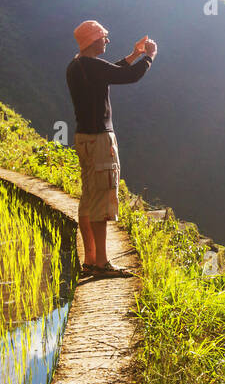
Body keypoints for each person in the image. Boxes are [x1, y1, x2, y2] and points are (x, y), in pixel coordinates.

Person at [65, 19, 157, 277]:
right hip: (99, 140)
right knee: (102, 198)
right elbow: (127, 76)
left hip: (83, 138)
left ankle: (91, 258)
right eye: (104, 37)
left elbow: (110, 71)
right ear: (94, 40)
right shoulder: (92, 66)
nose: (107, 41)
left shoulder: (77, 65)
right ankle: (102, 262)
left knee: (89, 197)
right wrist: (149, 57)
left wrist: (133, 54)